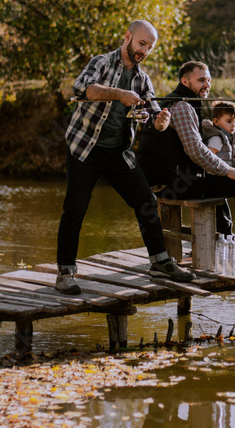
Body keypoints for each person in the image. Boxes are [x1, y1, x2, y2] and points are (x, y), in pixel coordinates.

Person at [55, 20, 196, 295]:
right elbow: (81, 88)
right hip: (85, 146)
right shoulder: (102, 63)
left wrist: (161, 121)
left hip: (118, 151)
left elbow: (155, 119)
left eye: (150, 47)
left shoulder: (143, 80)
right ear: (128, 37)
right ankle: (65, 273)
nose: (145, 50)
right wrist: (120, 95)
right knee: (75, 209)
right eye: (142, 43)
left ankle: (159, 262)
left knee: (146, 201)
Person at [138, 61, 235, 264]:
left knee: (223, 181)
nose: (206, 84)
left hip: (171, 181)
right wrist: (227, 170)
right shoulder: (183, 106)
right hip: (176, 184)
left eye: (208, 80)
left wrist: (224, 170)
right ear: (185, 81)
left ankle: (223, 240)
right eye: (201, 80)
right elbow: (195, 150)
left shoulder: (175, 102)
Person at [202, 100, 235, 169]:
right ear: (216, 122)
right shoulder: (217, 139)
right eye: (229, 121)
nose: (233, 125)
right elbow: (207, 160)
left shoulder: (227, 139)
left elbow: (227, 167)